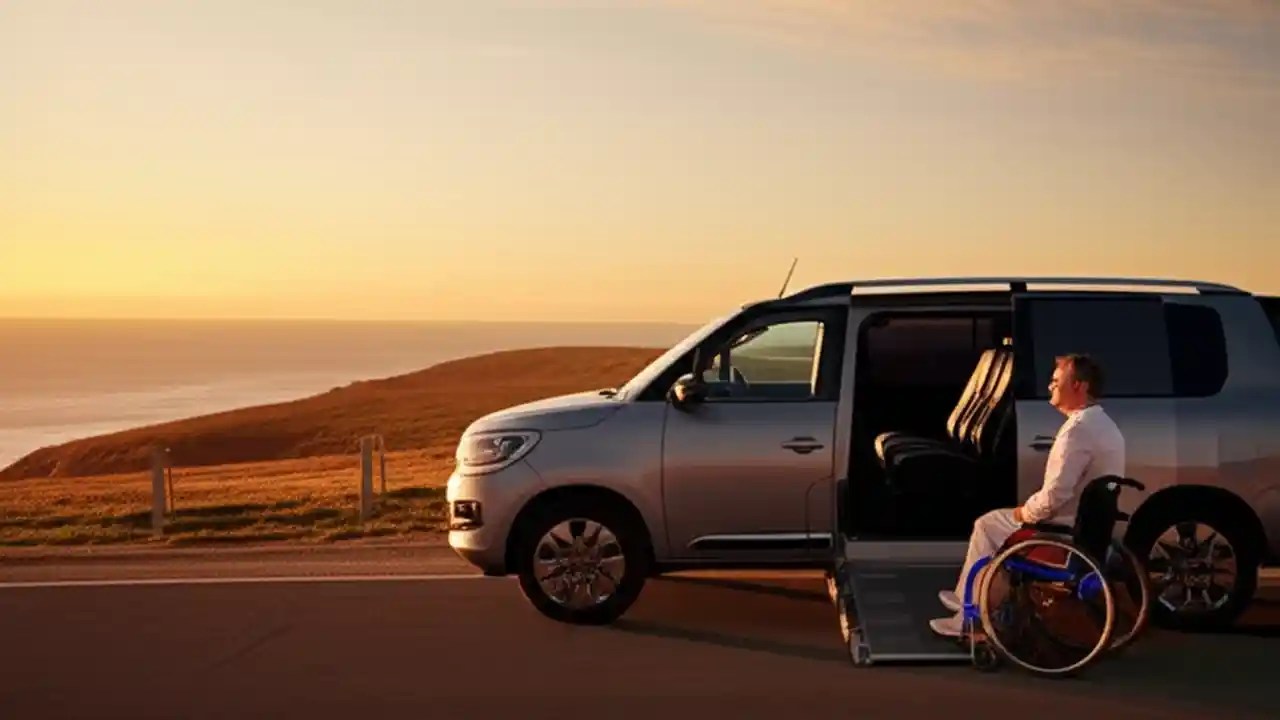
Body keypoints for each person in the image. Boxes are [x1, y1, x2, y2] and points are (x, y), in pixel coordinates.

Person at [928, 353, 1125, 638]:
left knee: (987, 524)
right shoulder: (1105, 425)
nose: (1050, 386)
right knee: (996, 522)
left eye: (1056, 381)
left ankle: (967, 616)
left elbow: (1054, 496)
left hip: (1064, 529)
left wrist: (1025, 513)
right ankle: (965, 598)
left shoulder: (1076, 433)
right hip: (1087, 525)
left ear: (1079, 386)